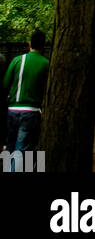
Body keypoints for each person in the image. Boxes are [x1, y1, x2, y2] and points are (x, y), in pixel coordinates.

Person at [4, 29, 50, 167]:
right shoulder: (45, 64)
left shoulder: (17, 60)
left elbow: (6, 83)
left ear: (29, 43)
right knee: (22, 148)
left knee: (11, 147)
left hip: (12, 109)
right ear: (43, 46)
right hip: (31, 111)